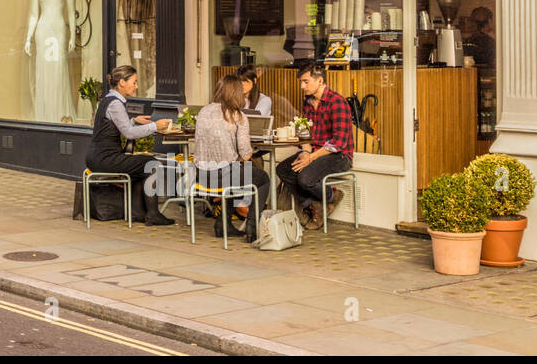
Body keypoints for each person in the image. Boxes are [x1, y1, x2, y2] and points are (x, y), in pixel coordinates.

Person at [84, 65, 175, 226]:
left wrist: (134, 120)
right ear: (121, 83)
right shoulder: (115, 104)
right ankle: (152, 214)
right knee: (151, 164)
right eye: (134, 82)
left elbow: (118, 125)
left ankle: (138, 212)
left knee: (142, 165)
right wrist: (156, 126)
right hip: (105, 158)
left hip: (97, 156)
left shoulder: (108, 100)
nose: (136, 86)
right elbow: (129, 133)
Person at [275, 61, 354, 229]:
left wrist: (311, 157)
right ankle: (315, 204)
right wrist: (305, 152)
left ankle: (332, 196)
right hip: (315, 152)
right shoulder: (308, 102)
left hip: (338, 156)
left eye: (306, 81)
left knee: (304, 179)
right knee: (283, 169)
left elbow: (338, 143)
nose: (302, 86)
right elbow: (306, 132)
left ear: (320, 80)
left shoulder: (337, 102)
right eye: (301, 82)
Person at [193, 76, 269, 242]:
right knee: (262, 179)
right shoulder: (237, 116)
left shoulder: (203, 111)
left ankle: (223, 225)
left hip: (201, 176)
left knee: (235, 172)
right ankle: (252, 226)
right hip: (223, 176)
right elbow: (246, 154)